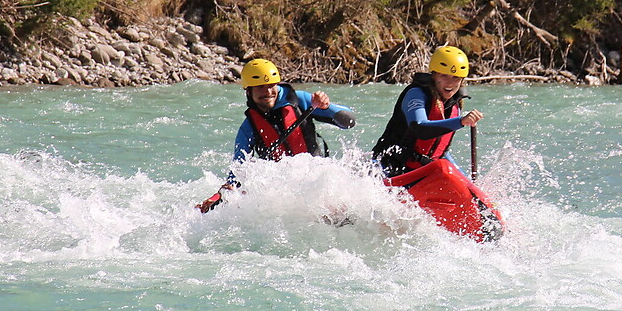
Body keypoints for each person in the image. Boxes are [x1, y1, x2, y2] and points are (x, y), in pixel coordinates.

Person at [197, 58, 356, 213]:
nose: (267, 92)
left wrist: (327, 105)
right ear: (248, 91)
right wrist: (218, 196)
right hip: (284, 193)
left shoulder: (300, 100)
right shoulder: (248, 128)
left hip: (318, 180)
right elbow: (237, 173)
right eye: (260, 87)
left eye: (271, 85)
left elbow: (349, 122)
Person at [371, 45, 482, 177]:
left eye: (456, 78)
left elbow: (440, 153)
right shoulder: (416, 94)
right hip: (389, 167)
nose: (450, 83)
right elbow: (419, 128)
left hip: (421, 173)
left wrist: (466, 182)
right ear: (434, 75)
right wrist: (461, 121)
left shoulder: (454, 103)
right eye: (444, 76)